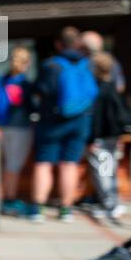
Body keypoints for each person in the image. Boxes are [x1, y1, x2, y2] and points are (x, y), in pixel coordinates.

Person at [28, 27, 97, 223]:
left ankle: (37, 209)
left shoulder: (51, 66)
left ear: (59, 44)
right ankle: (66, 210)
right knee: (70, 165)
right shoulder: (87, 65)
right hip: (80, 121)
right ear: (78, 43)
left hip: (51, 122)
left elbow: (39, 91)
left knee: (44, 164)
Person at [0, 46, 35, 214]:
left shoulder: (2, 79)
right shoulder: (25, 84)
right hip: (20, 128)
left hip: (3, 127)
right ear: (26, 63)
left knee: (8, 164)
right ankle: (9, 199)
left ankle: (6, 197)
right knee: (14, 166)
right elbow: (31, 107)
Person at [86, 49, 131, 224]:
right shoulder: (113, 87)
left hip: (102, 138)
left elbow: (97, 118)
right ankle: (111, 202)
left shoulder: (99, 91)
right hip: (112, 136)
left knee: (104, 172)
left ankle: (111, 205)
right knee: (109, 170)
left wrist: (92, 139)